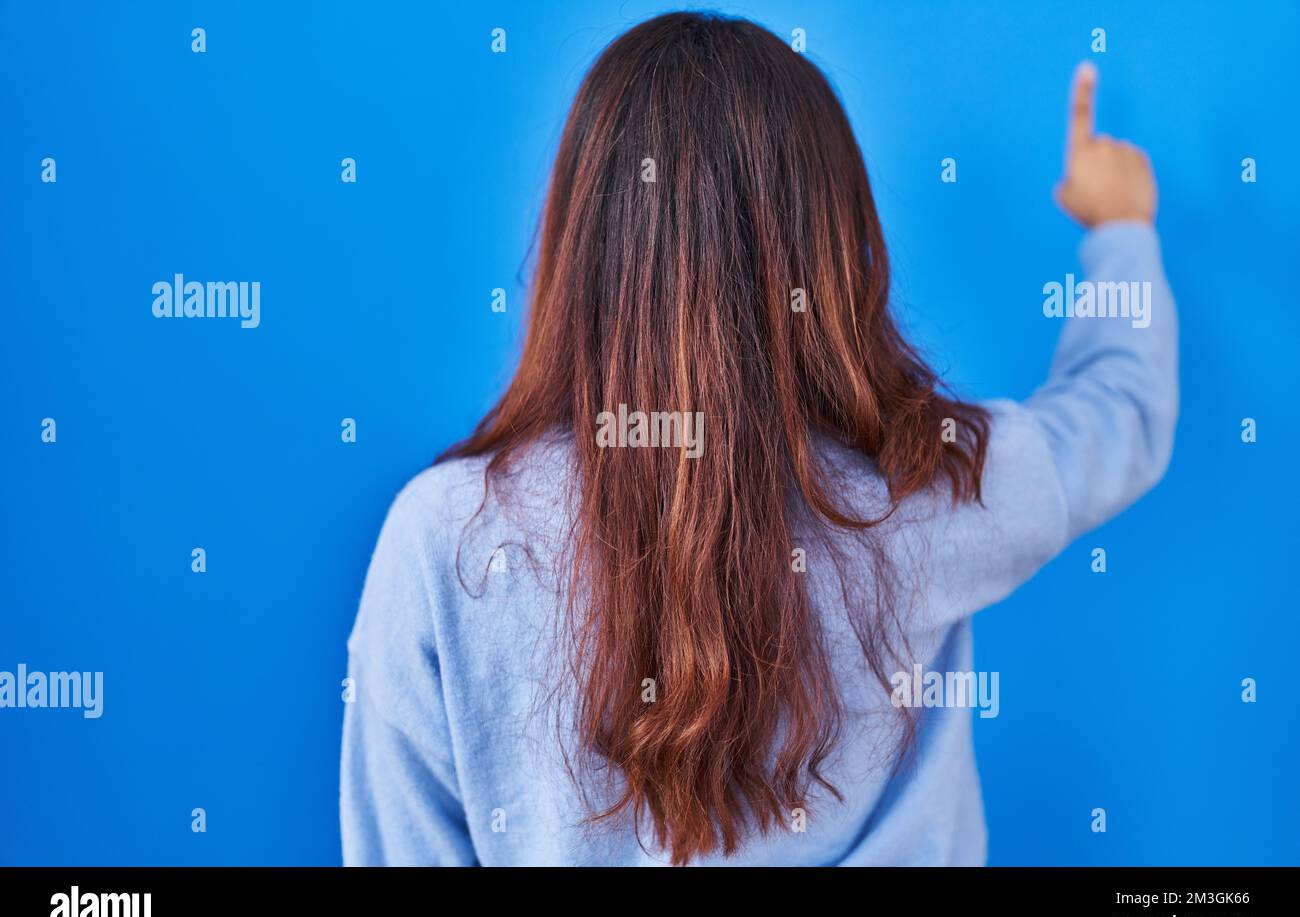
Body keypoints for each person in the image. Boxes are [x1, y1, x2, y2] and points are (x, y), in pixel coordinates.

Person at [341, 12, 1175, 866]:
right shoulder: (931, 488)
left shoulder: (444, 539)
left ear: (581, 235)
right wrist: (1121, 226)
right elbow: (1123, 413)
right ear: (834, 244)